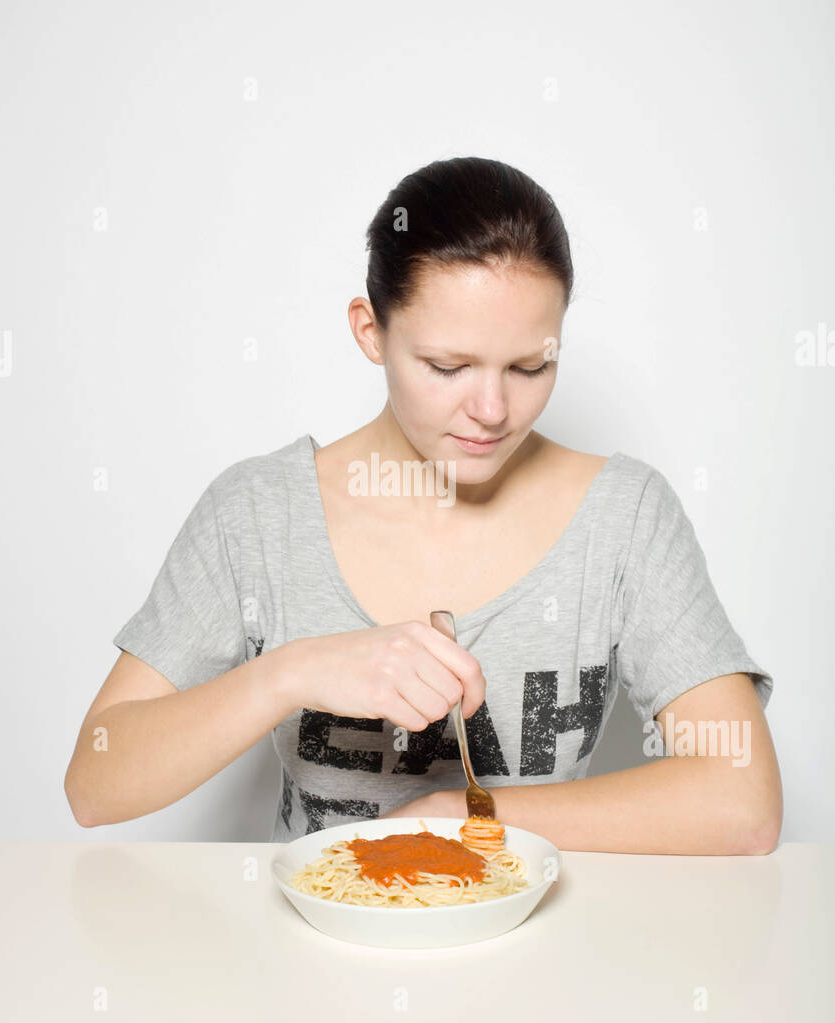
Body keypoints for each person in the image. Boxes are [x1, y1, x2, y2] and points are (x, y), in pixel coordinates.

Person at [64, 156, 782, 855]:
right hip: (309, 962)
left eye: (530, 367)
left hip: (540, 958)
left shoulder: (624, 516)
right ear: (370, 332)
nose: (493, 410)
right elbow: (96, 785)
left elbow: (742, 800)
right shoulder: (258, 513)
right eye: (447, 367)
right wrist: (290, 672)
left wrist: (465, 814)